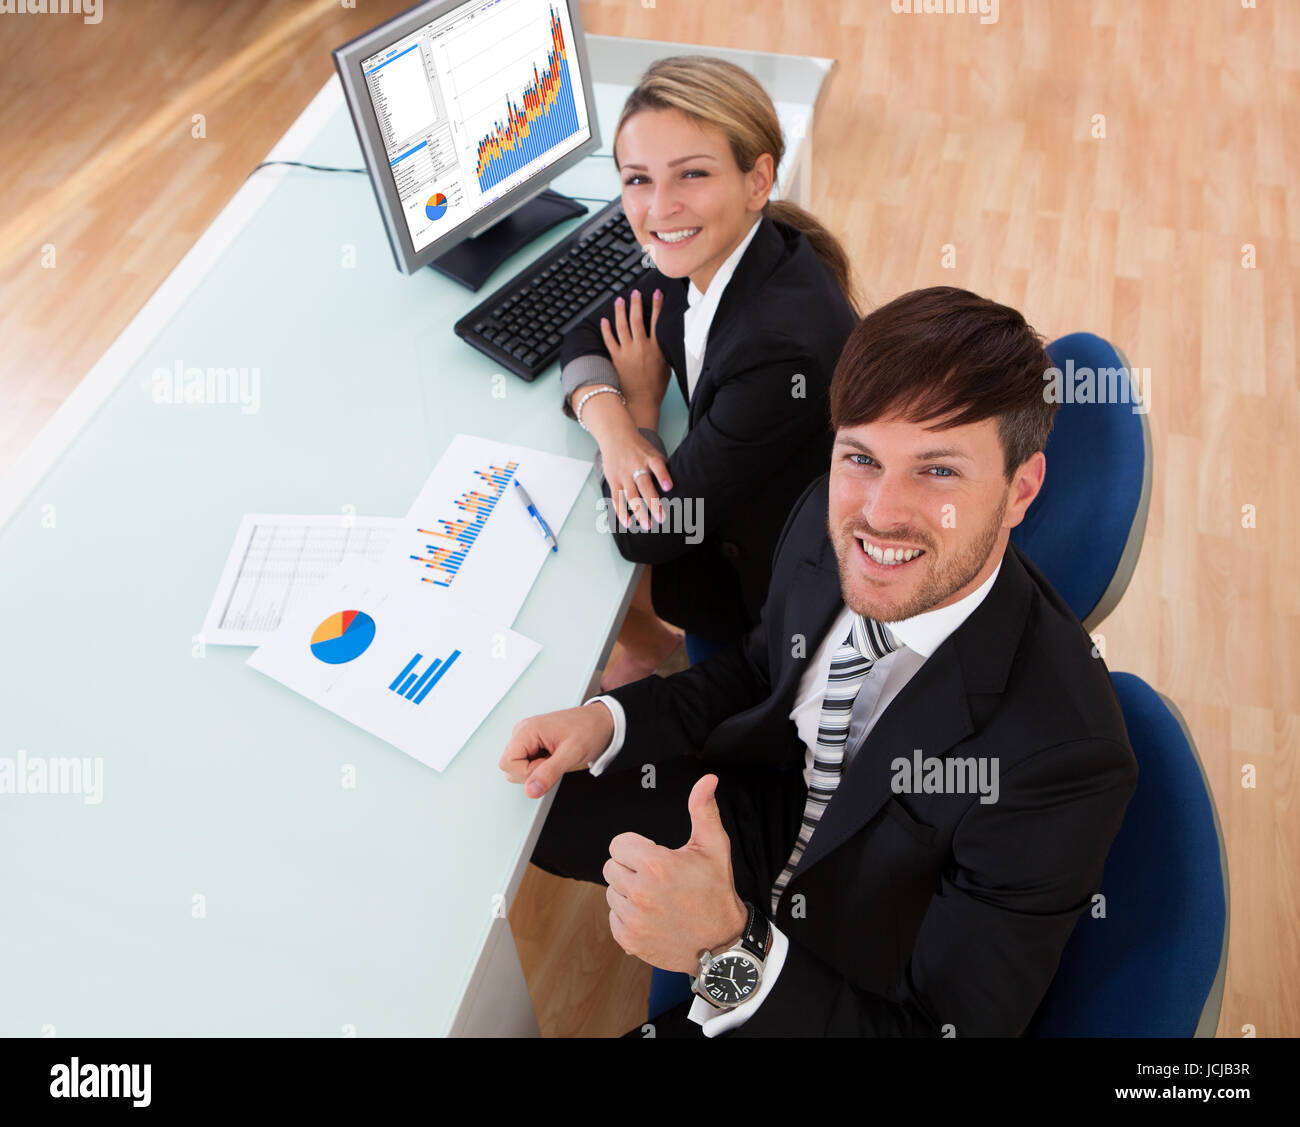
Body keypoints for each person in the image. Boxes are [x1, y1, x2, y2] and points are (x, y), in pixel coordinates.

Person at [505, 286, 1139, 1037]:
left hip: (845, 979)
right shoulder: (821, 515)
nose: (879, 513)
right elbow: (759, 669)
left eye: (937, 470)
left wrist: (728, 949)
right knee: (532, 803)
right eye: (862, 456)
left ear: (1019, 490)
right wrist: (610, 720)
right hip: (776, 814)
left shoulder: (1062, 760)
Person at [558, 55, 859, 689]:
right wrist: (615, 430)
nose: (659, 208)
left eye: (692, 174)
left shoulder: (779, 352)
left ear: (758, 180)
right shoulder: (717, 249)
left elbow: (649, 533)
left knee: (568, 546)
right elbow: (587, 332)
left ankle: (650, 650)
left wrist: (644, 410)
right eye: (637, 179)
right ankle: (646, 645)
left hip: (766, 604)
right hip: (732, 518)